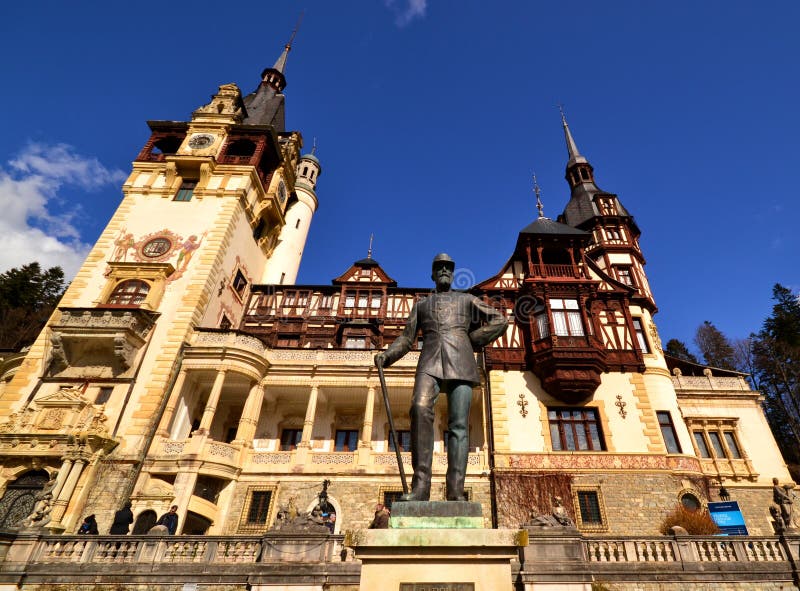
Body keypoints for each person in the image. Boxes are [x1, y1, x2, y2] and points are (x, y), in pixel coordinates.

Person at [375, 253, 507, 502]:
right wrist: (388, 355)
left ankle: (456, 491)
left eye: (448, 267)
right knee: (419, 407)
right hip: (430, 361)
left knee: (458, 426)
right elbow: (406, 338)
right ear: (433, 275)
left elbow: (500, 320)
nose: (445, 270)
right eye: (440, 268)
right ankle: (421, 488)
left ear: (453, 273)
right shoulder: (422, 305)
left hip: (462, 362)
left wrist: (472, 339)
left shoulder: (467, 300)